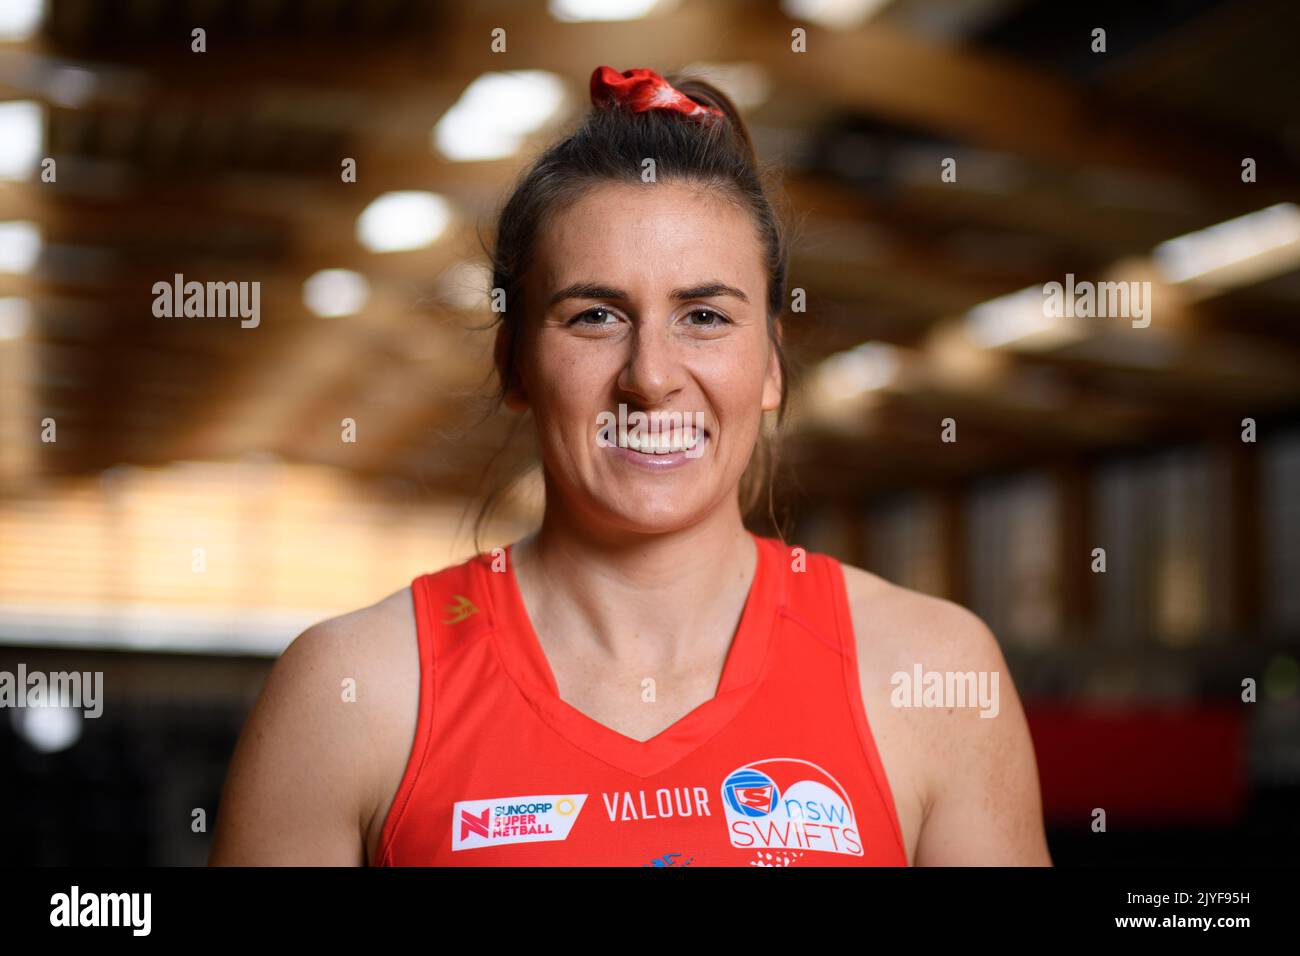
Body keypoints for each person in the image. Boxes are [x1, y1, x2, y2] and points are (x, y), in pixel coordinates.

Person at [209, 66, 1051, 867]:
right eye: (595, 315)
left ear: (769, 366)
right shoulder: (354, 690)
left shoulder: (931, 672)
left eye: (706, 316)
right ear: (513, 366)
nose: (650, 375)